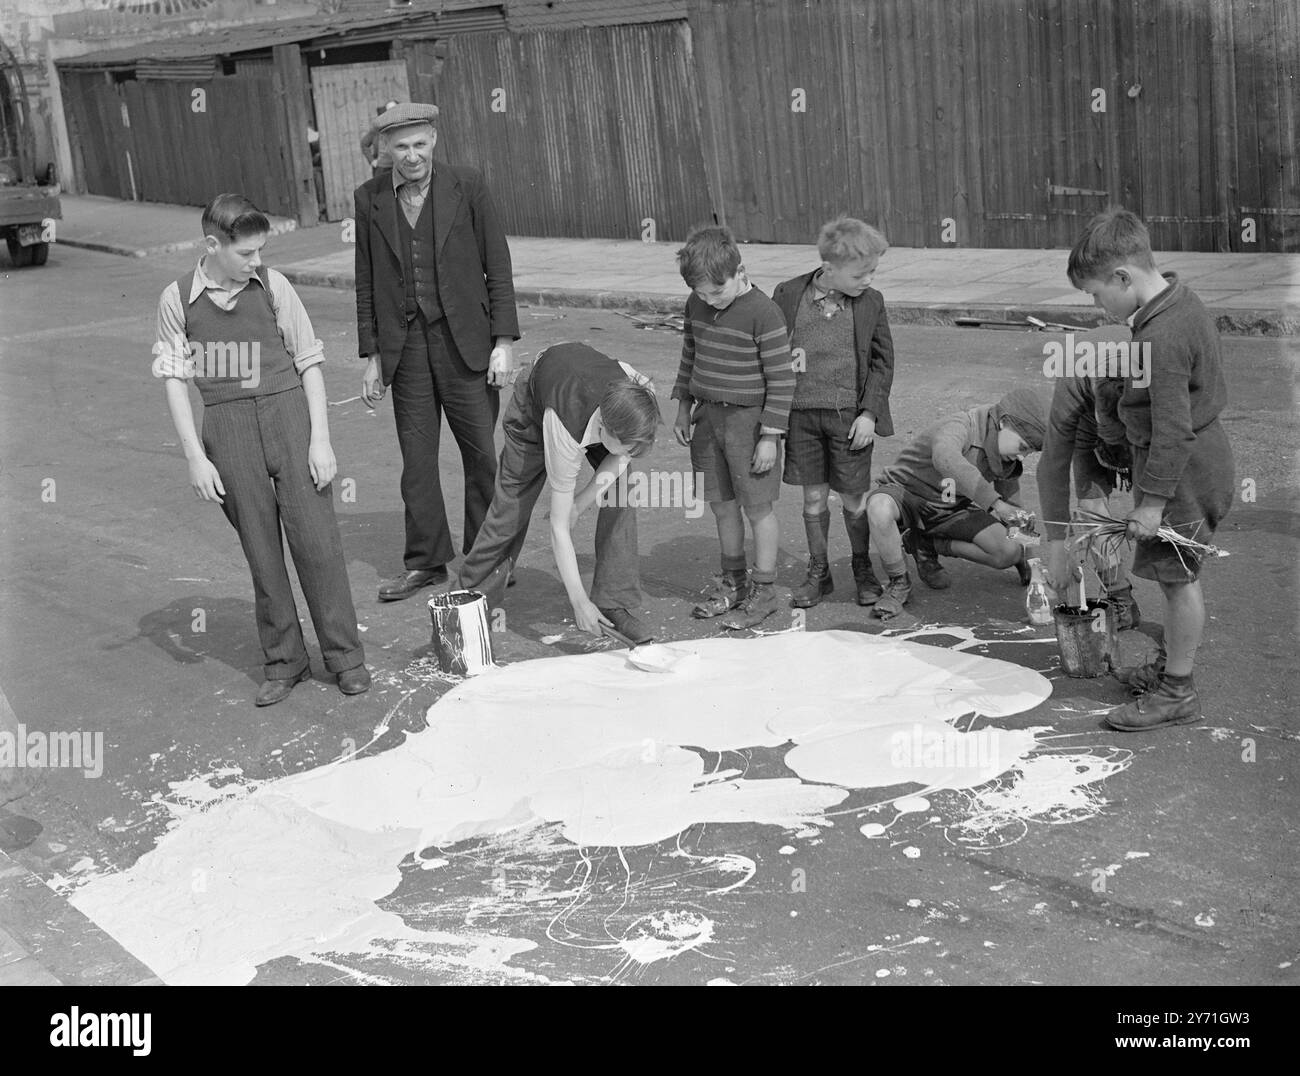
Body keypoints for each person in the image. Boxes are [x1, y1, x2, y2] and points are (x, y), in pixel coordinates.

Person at [153, 194, 369, 706]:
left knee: (317, 543)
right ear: (213, 245)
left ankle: (345, 659)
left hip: (289, 414)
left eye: (260, 250)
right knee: (261, 549)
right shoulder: (177, 299)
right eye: (246, 252)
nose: (257, 261)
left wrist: (321, 439)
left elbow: (310, 361)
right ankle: (284, 662)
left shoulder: (273, 285)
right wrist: (194, 457)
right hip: (226, 427)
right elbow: (174, 382)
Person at [1067, 208, 1234, 731]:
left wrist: (1153, 502)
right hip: (1191, 462)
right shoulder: (1179, 301)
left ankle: (1177, 694)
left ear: (1123, 277)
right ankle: (1170, 673)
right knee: (1174, 576)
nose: (1097, 306)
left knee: (1177, 581)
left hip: (1182, 472)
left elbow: (1173, 429)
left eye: (1096, 294)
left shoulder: (1160, 335)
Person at [354, 102, 519, 602]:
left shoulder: (466, 185)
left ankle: (487, 558)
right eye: (400, 147)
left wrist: (503, 342)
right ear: (386, 149)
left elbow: (498, 264)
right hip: (405, 349)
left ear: (434, 141)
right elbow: (366, 281)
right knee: (418, 462)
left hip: (464, 343)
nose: (411, 156)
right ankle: (426, 562)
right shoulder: (370, 199)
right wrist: (372, 356)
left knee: (480, 457)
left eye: (419, 144)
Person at [453, 343, 662, 642]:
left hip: (587, 396)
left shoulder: (640, 392)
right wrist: (578, 602)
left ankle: (613, 602)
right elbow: (559, 527)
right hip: (537, 407)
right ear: (605, 429)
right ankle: (464, 610)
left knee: (621, 490)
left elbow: (623, 455)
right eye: (627, 445)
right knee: (509, 511)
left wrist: (581, 502)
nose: (630, 452)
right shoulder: (566, 426)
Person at [671, 225, 795, 630]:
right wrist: (683, 405)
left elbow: (781, 379)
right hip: (707, 420)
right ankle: (734, 583)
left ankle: (765, 590)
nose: (709, 300)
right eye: (701, 294)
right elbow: (690, 354)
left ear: (740, 271)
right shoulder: (697, 302)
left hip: (750, 424)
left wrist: (770, 437)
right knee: (722, 505)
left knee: (757, 507)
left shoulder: (764, 312)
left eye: (716, 291)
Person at [772, 216, 896, 608]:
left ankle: (862, 567)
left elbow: (882, 362)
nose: (869, 280)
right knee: (813, 499)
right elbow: (772, 356)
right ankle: (819, 571)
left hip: (850, 420)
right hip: (801, 418)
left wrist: (870, 414)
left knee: (854, 500)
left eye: (873, 271)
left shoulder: (871, 302)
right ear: (828, 269)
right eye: (861, 273)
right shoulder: (788, 294)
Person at [864, 387, 1048, 619]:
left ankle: (926, 544)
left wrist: (1029, 560)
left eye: (1029, 452)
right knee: (878, 507)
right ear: (1003, 422)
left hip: (951, 507)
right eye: (1023, 447)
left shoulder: (1005, 457)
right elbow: (945, 458)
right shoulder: (962, 425)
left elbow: (1015, 509)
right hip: (908, 494)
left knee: (1009, 552)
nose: (1023, 456)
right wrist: (996, 505)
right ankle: (899, 582)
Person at [1037, 324, 1140, 629]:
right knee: (1090, 510)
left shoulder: (1157, 368)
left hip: (1149, 420)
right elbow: (1051, 466)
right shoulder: (1074, 379)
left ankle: (1178, 595)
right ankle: (1121, 600)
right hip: (1089, 421)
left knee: (1165, 511)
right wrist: (1057, 547)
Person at [359, 99, 399, 172]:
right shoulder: (378, 128)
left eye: (395, 109)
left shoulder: (405, 125)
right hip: (383, 169)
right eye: (389, 110)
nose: (392, 112)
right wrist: (372, 161)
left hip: (401, 167)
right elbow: (364, 144)